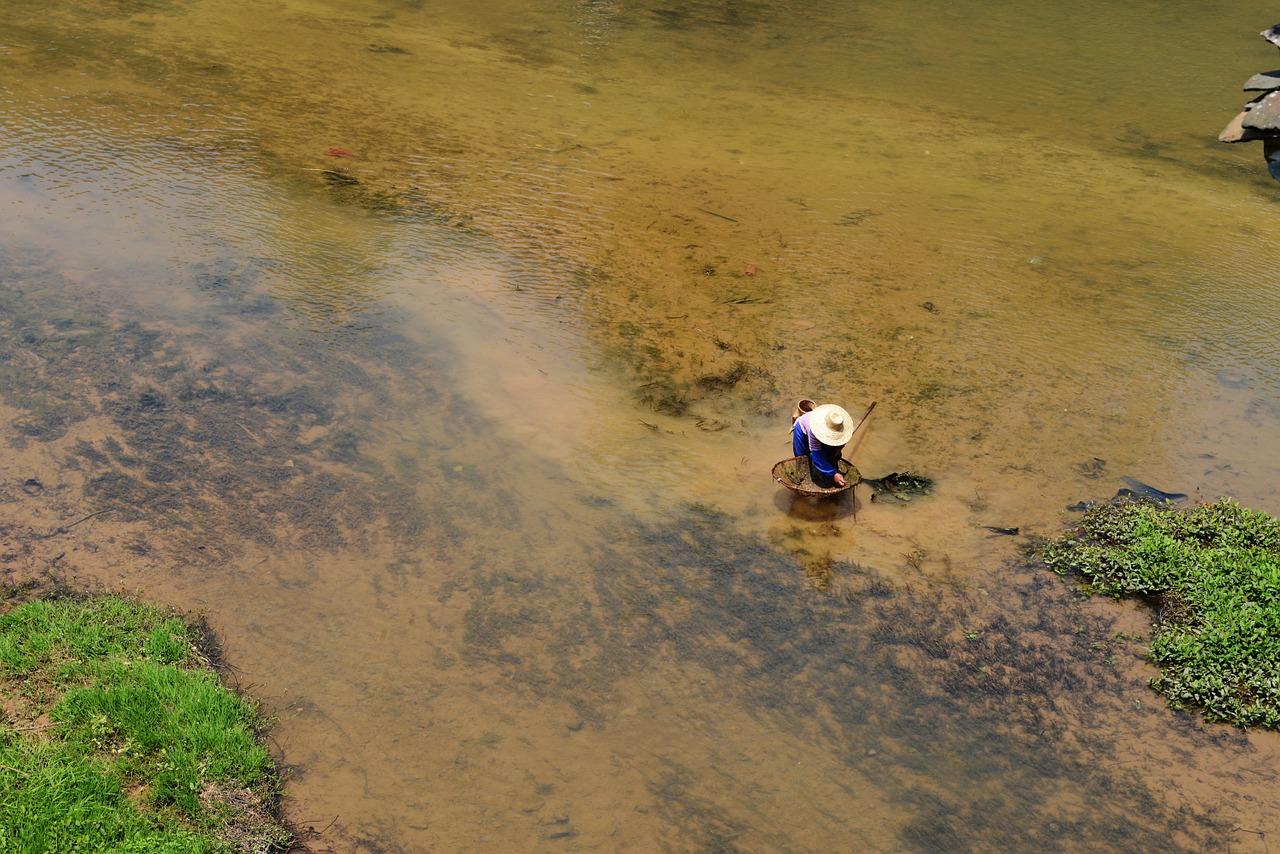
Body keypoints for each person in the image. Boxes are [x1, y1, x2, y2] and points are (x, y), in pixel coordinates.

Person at [792, 403, 855, 487]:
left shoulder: (843, 427)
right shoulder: (814, 429)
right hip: (801, 429)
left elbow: (841, 442)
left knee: (830, 454)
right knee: (802, 457)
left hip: (819, 430)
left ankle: (827, 472)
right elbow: (816, 453)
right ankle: (801, 481)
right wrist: (833, 474)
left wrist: (838, 450)